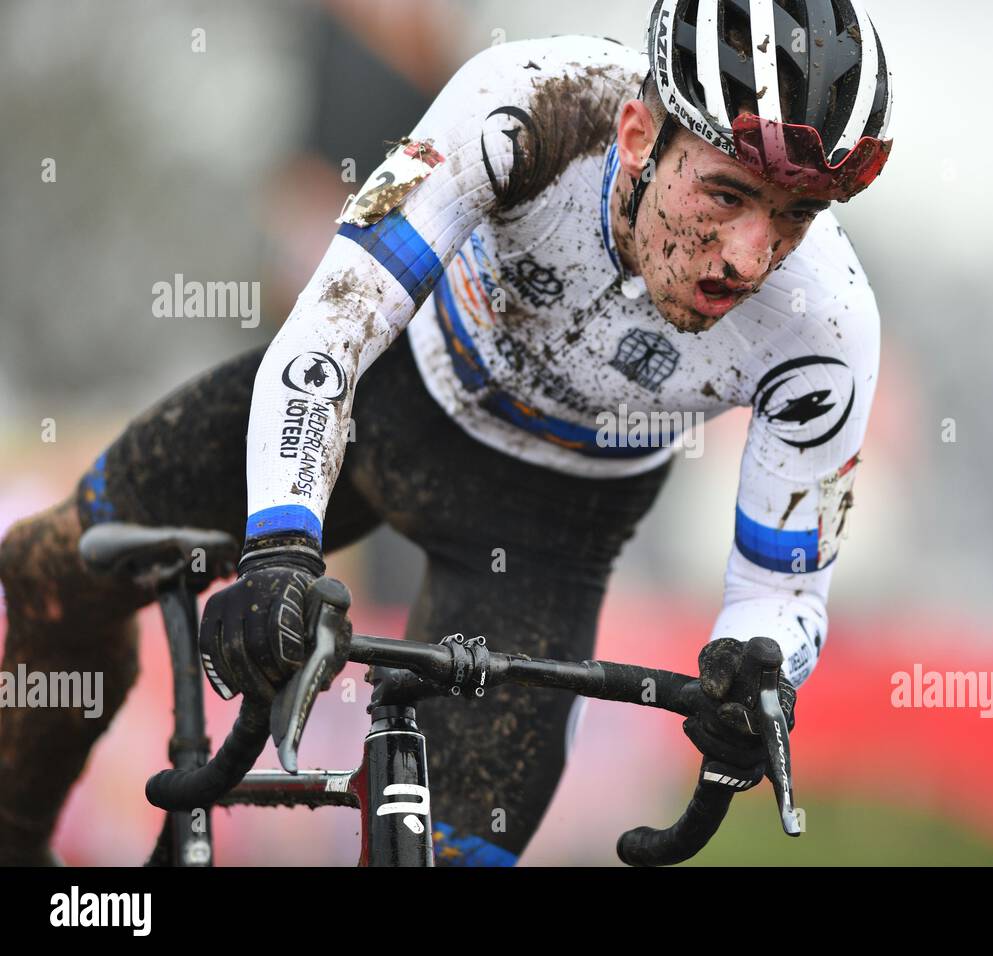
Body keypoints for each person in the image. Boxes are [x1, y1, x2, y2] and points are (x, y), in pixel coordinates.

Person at [0, 0, 892, 866]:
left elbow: (785, 588)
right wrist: (280, 547)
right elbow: (328, 335)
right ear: (634, 135)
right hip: (383, 408)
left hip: (549, 535)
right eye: (727, 192)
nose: (747, 254)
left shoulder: (827, 324)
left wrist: (757, 672)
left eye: (793, 214)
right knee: (52, 575)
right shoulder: (530, 105)